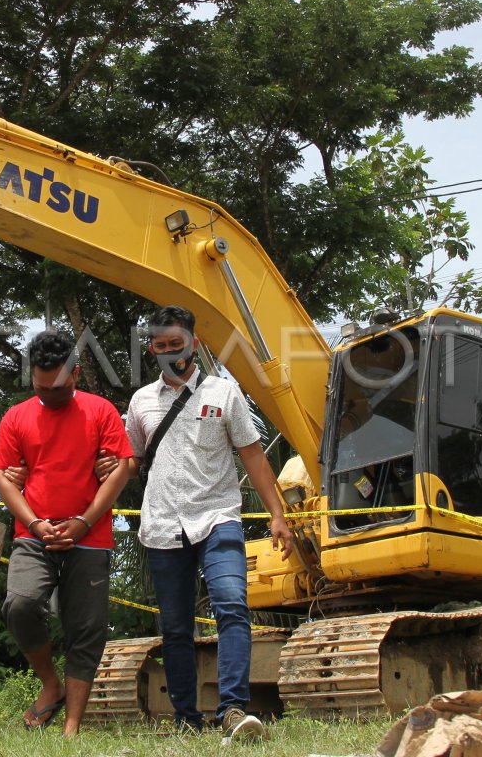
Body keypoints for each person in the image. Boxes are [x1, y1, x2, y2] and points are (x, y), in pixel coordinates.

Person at [123, 304, 295, 741]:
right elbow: (132, 460)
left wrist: (278, 514)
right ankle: (186, 718)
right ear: (151, 349)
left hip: (218, 517)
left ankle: (233, 710)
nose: (168, 354)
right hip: (163, 523)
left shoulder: (223, 393)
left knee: (231, 603)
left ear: (194, 345)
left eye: (176, 346)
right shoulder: (141, 401)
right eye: (159, 347)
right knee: (176, 625)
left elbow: (253, 456)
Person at [0, 330, 133, 738]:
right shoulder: (16, 417)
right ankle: (49, 682)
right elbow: (3, 477)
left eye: (56, 387)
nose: (47, 394)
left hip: (88, 535)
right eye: (39, 387)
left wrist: (84, 521)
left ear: (76, 374)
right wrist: (35, 523)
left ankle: (71, 727)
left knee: (86, 627)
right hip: (34, 535)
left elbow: (120, 469)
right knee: (19, 604)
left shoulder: (101, 411)